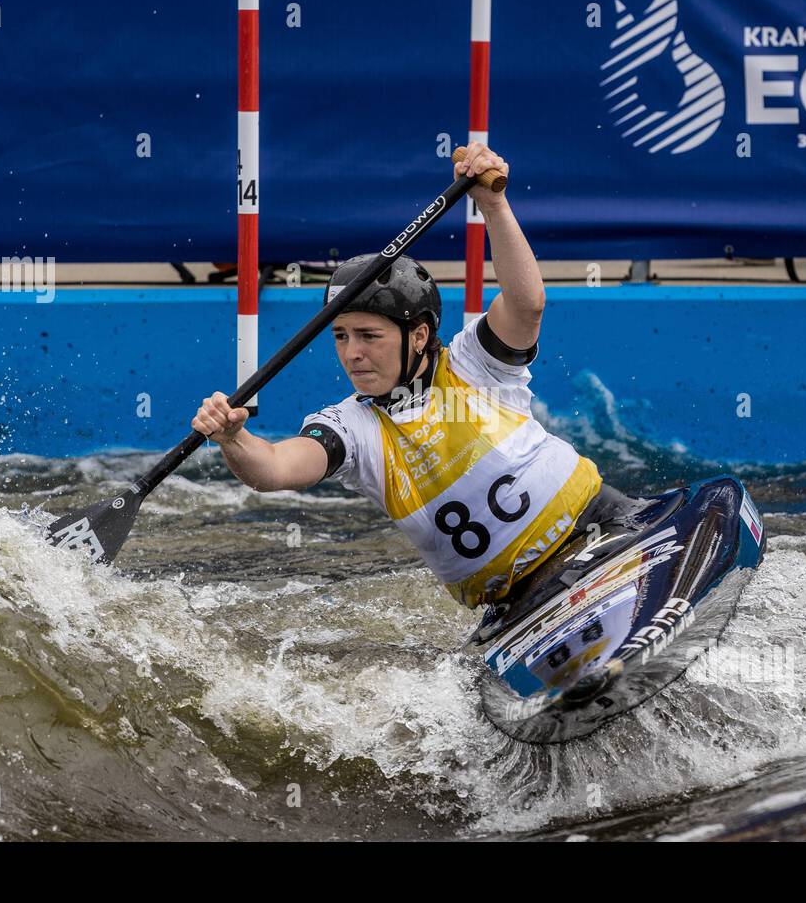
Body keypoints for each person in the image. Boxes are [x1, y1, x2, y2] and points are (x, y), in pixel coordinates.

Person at [193, 142, 634, 612]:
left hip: (603, 530)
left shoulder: (471, 363)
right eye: (340, 336)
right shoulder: (352, 427)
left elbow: (526, 304)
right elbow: (276, 468)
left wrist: (493, 204)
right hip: (515, 607)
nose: (352, 354)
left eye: (368, 336)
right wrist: (235, 439)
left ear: (419, 334)